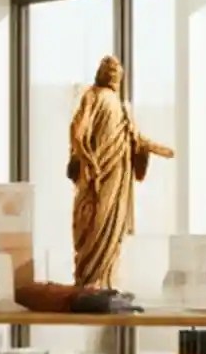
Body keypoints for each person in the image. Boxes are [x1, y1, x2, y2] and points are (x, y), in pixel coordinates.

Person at [68, 55, 174, 288]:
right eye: (110, 71)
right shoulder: (92, 95)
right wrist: (88, 160)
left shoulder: (121, 106)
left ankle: (103, 281)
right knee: (93, 223)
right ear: (102, 74)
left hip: (116, 177)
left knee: (112, 229)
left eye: (117, 72)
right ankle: (88, 281)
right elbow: (76, 132)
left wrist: (154, 148)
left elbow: (133, 138)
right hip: (98, 176)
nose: (114, 75)